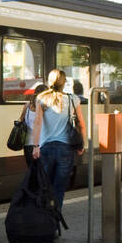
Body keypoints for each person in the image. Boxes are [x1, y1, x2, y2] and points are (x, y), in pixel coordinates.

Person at [31, 69, 86, 214]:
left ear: (49, 82)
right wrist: (82, 144)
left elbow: (37, 123)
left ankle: (43, 221)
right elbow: (81, 123)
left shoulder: (42, 98)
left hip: (46, 148)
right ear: (64, 82)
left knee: (45, 187)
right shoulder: (73, 99)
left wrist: (36, 146)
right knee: (59, 189)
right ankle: (54, 222)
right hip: (65, 150)